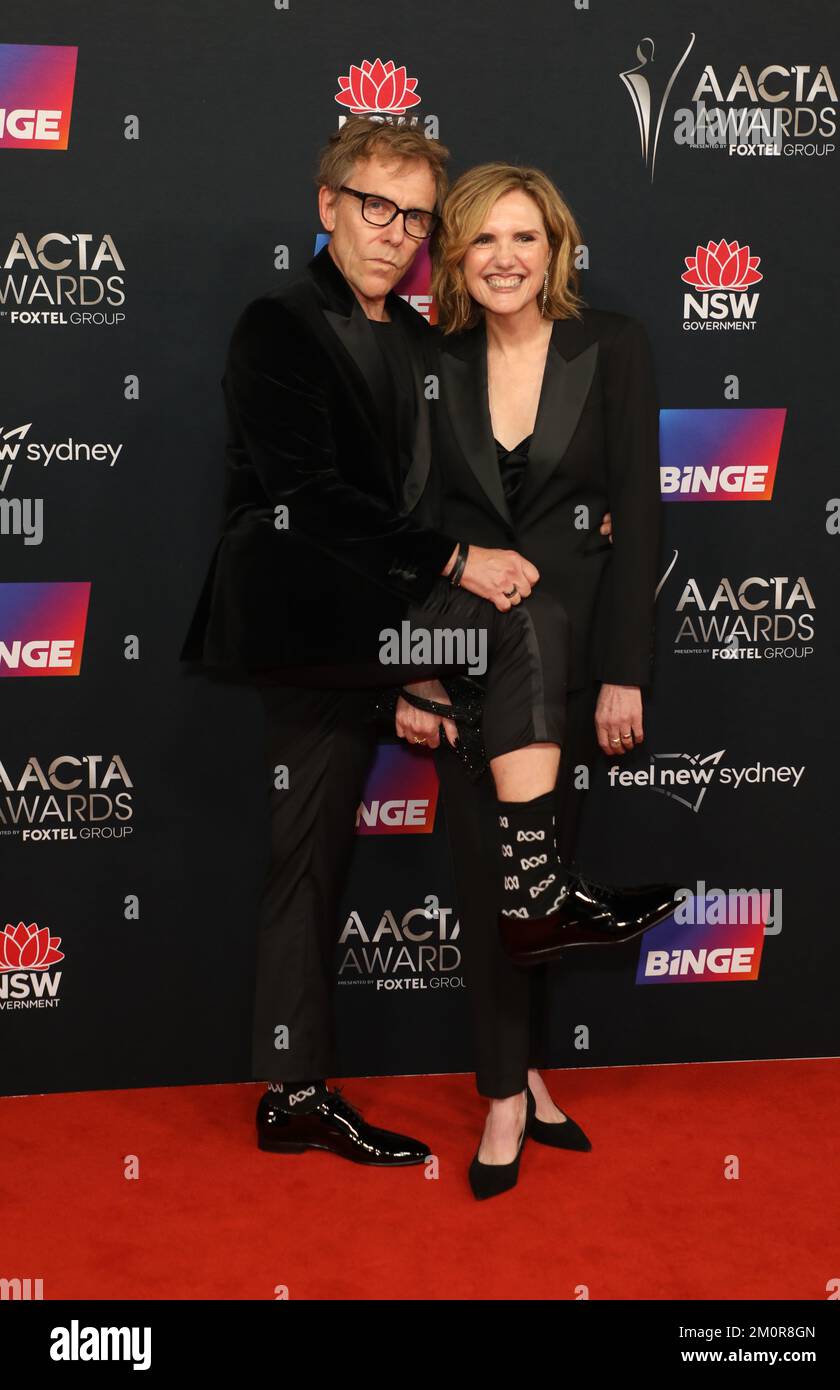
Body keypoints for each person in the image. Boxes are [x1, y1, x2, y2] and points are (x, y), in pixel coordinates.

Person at [178, 118, 646, 1170]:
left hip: (389, 629)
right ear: (327, 204)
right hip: (308, 632)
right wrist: (449, 573)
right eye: (373, 208)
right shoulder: (278, 324)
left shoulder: (418, 338)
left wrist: (427, 646)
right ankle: (293, 1093)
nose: (393, 234)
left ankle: (531, 890)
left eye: (414, 218)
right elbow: (312, 498)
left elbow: (458, 481)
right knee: (308, 860)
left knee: (527, 626)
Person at [392, 162, 676, 1197]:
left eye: (525, 237)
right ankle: (505, 1096)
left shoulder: (612, 346)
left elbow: (638, 515)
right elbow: (414, 525)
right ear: (455, 257)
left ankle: (526, 1075)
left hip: (571, 657)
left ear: (554, 250)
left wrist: (623, 674)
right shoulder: (432, 361)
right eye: (483, 240)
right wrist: (416, 677)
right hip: (469, 651)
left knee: (530, 871)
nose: (505, 257)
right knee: (497, 876)